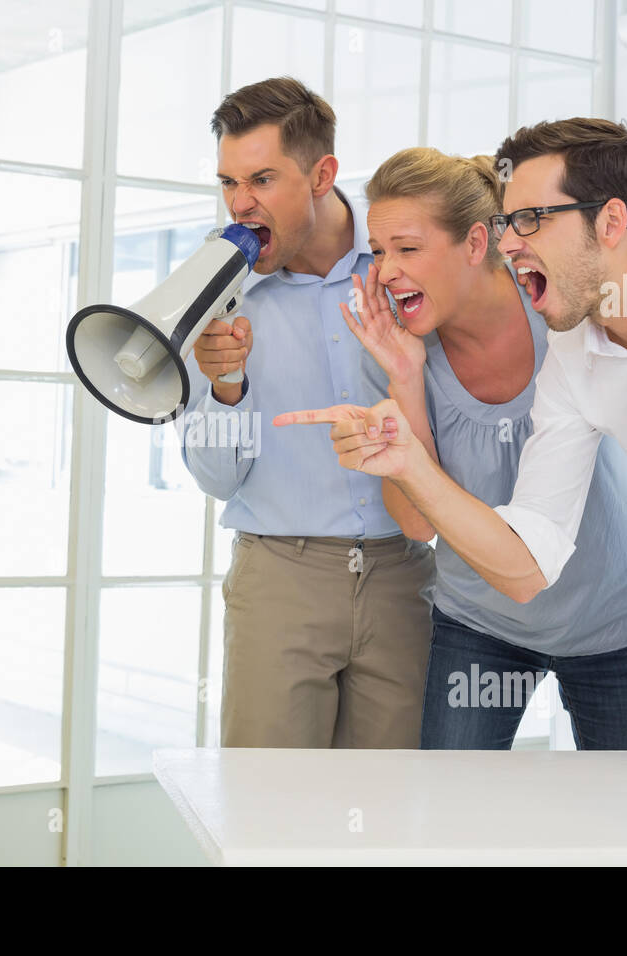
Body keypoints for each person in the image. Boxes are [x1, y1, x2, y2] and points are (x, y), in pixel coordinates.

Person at [280, 118, 627, 804]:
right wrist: (409, 461)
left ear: (610, 221)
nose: (508, 240)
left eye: (529, 219)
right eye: (506, 220)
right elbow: (528, 563)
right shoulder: (575, 357)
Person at [330, 146, 627, 749]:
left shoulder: (559, 308)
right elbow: (414, 523)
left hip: (614, 618)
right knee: (452, 822)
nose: (385, 272)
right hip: (480, 621)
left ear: (476, 244)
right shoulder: (390, 348)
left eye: (408, 249)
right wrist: (406, 377)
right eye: (379, 252)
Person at [181, 76, 436, 748]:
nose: (240, 204)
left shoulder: (403, 263)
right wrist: (225, 385)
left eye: (262, 179)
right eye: (229, 182)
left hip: (407, 577)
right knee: (268, 817)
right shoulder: (210, 286)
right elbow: (213, 479)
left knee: (391, 817)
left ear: (322, 174)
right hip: (279, 582)